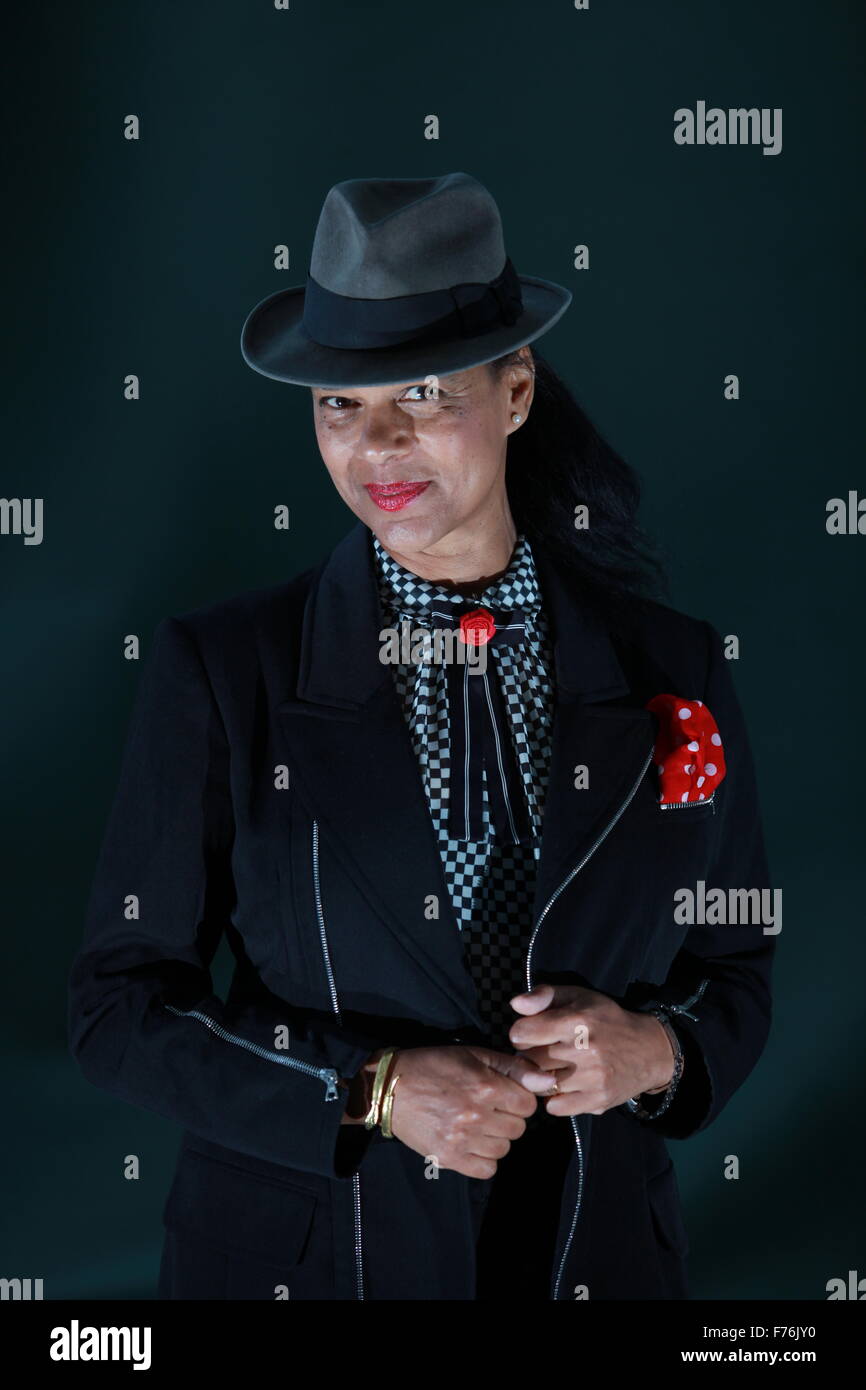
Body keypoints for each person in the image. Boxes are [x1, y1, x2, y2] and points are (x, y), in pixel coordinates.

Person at [68, 171, 775, 1301]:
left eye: (427, 392)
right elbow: (119, 1007)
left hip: (592, 1259)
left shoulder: (671, 667)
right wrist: (377, 1090)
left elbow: (732, 961)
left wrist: (657, 1052)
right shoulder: (224, 669)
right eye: (339, 405)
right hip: (311, 1266)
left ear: (517, 391)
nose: (378, 444)